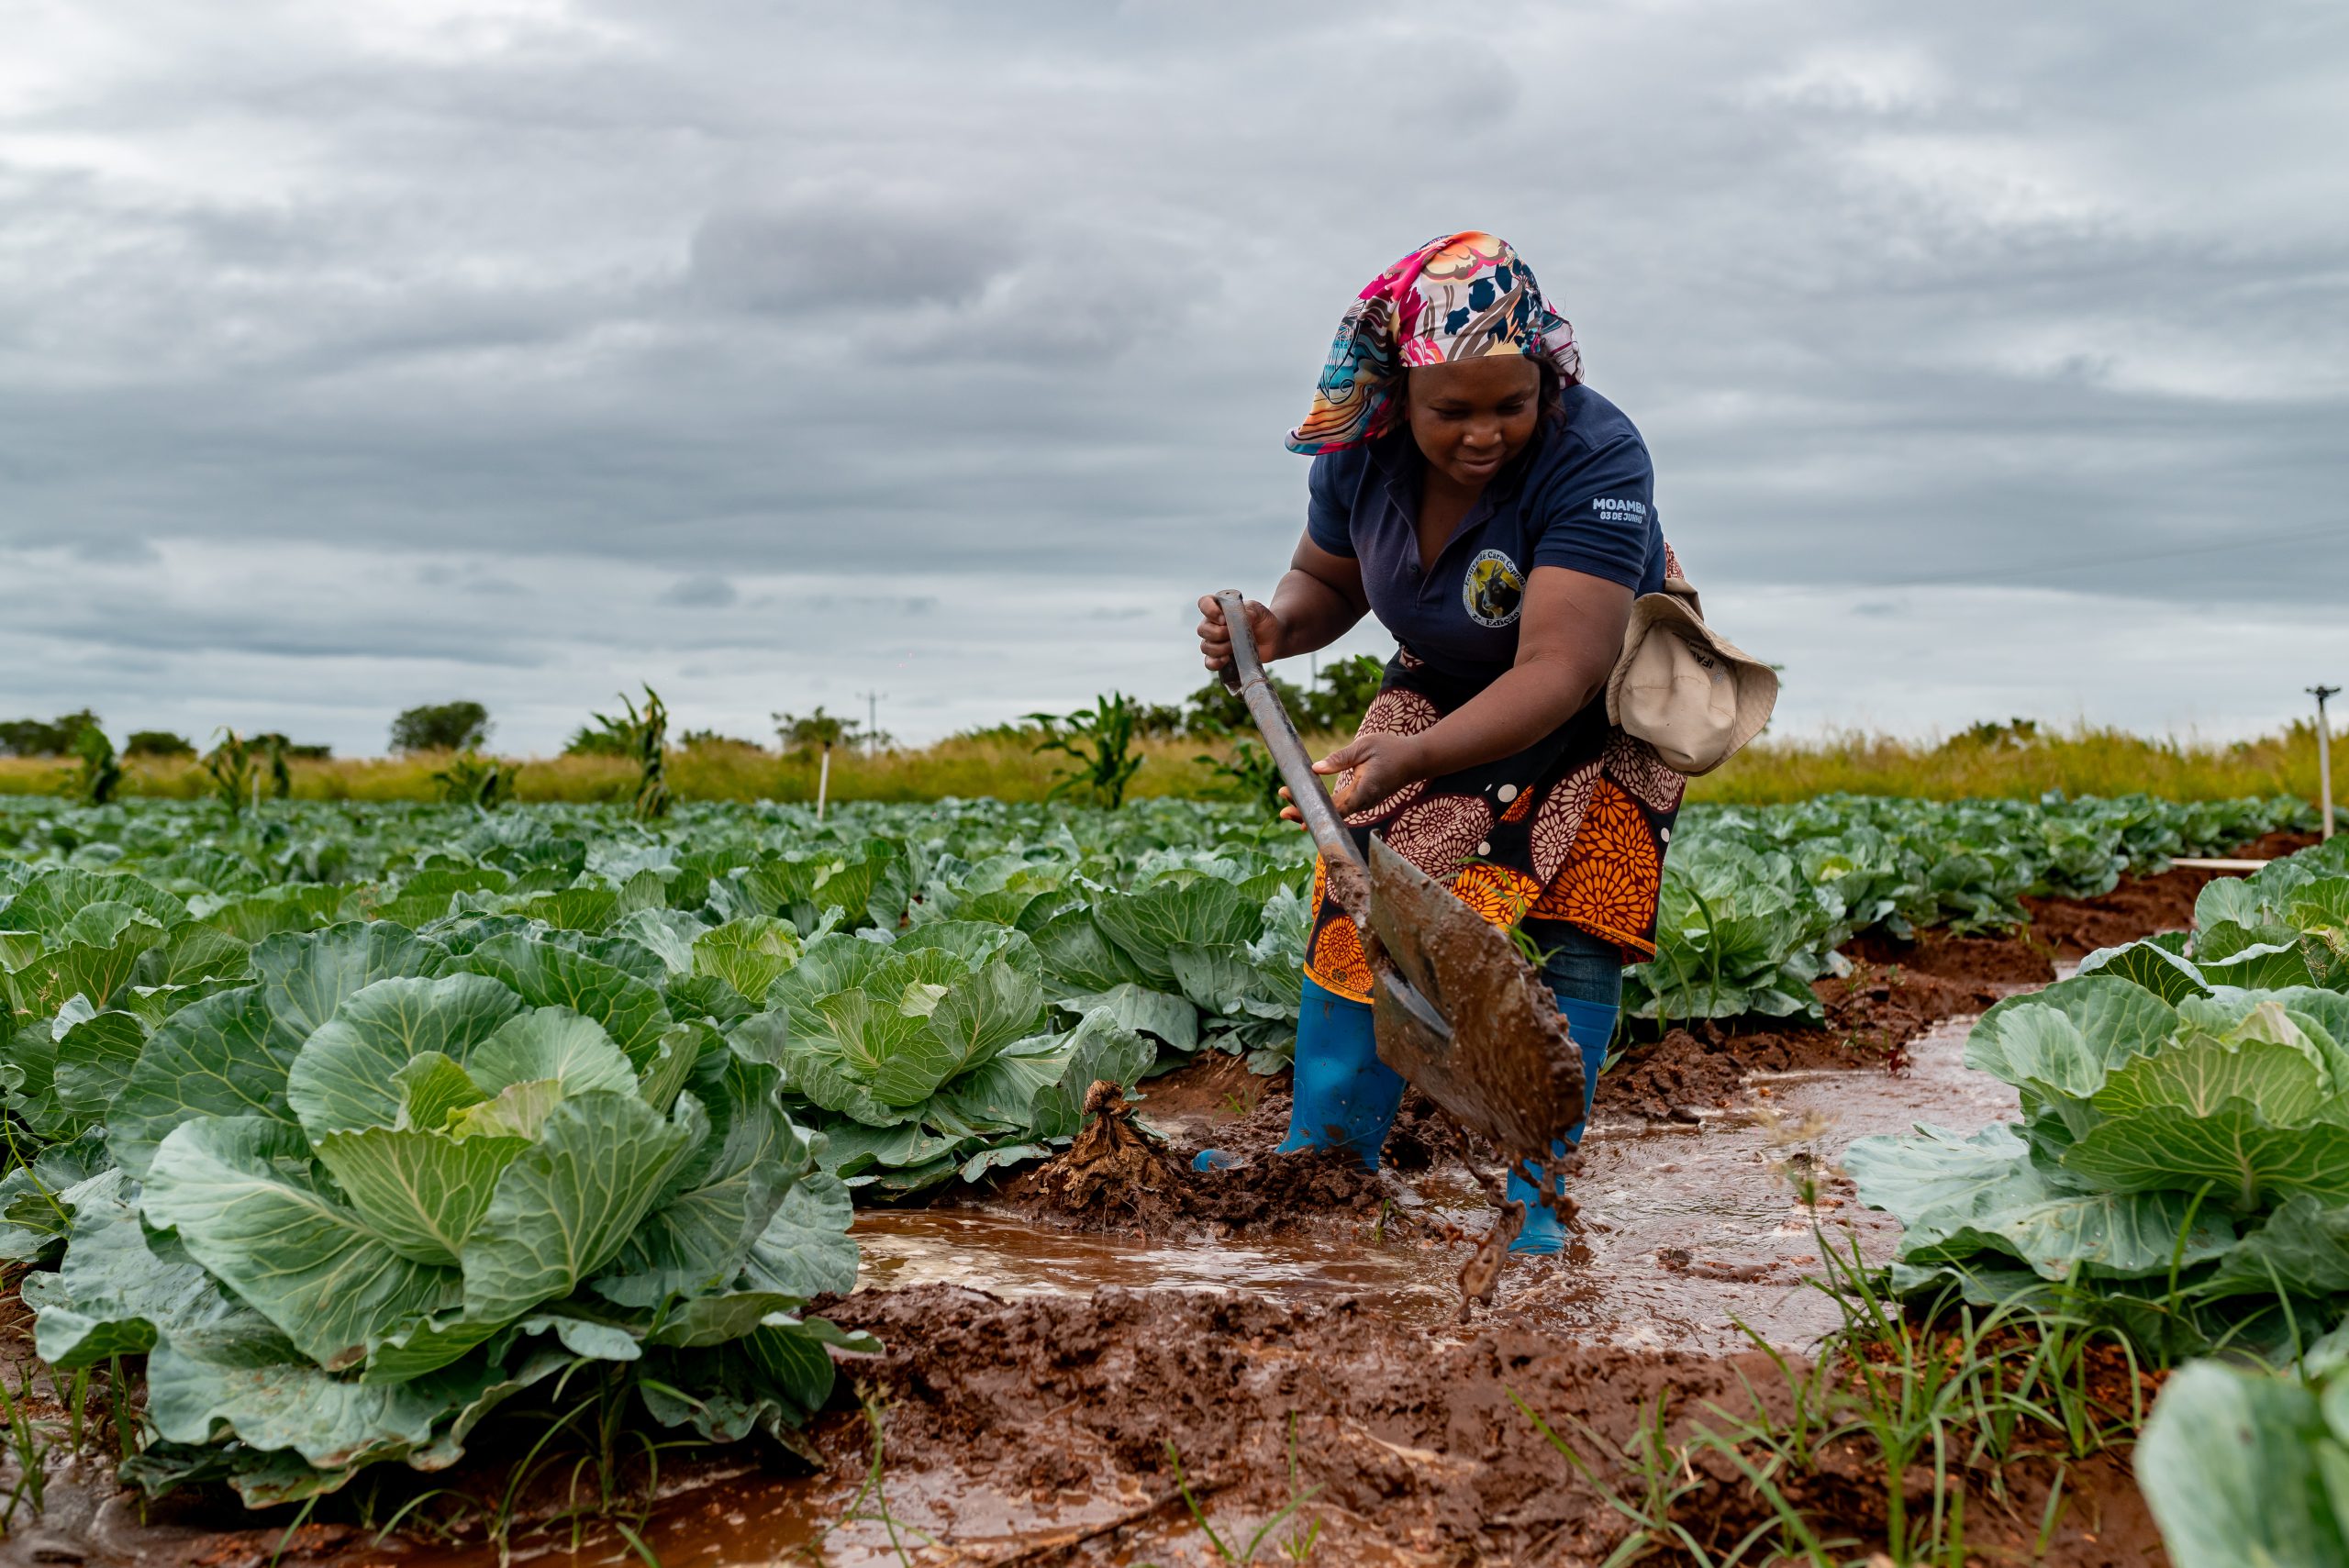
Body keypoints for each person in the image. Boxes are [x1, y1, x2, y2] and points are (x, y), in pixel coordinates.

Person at [1196, 231, 1689, 1255]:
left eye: (1509, 404)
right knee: (1361, 894)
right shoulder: (1357, 455)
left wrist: (1412, 761)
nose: (1483, 434)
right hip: (1441, 679)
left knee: (1569, 927)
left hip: (1598, 695)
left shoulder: (1594, 453)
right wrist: (1277, 627)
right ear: (1399, 399)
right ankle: (1324, 1158)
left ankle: (1538, 1193)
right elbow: (1327, 581)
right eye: (1451, 411)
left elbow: (1558, 669)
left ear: (1545, 380)